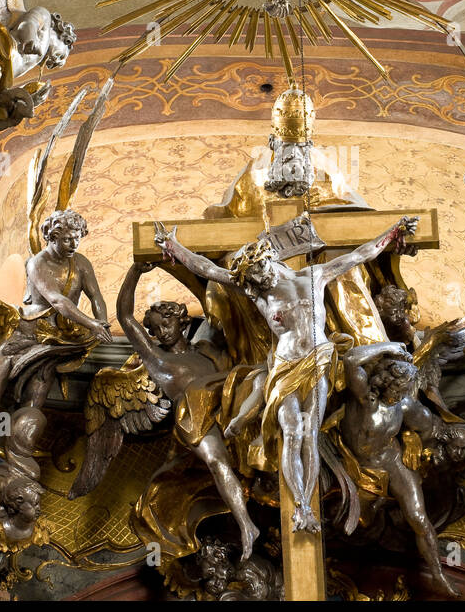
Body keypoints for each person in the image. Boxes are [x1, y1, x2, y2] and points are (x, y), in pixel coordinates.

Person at [154, 215, 418, 533]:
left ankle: (308, 500)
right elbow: (208, 269)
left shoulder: (311, 278)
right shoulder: (258, 292)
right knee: (291, 433)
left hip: (317, 361)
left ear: (270, 260)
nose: (259, 282)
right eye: (251, 278)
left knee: (308, 434)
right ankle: (302, 509)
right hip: (283, 366)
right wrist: (174, 246)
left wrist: (393, 234)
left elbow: (358, 255)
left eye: (260, 272)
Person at [116, 261, 260, 560]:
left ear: (182, 322)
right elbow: (125, 317)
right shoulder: (157, 359)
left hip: (227, 408)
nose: (161, 332)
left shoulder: (206, 350)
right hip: (194, 417)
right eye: (154, 329)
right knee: (218, 461)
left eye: (165, 324)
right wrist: (134, 272)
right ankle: (246, 525)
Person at [0, 210, 111, 491]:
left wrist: (100, 322)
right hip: (23, 337)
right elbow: (57, 301)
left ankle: (11, 470)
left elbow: (96, 297)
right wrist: (92, 324)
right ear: (53, 236)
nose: (74, 245)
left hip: (52, 345)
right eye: (68, 239)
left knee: (30, 411)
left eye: (77, 239)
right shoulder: (37, 263)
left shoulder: (80, 264)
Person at [338, 342, 458, 596]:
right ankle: (376, 505)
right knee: (362, 521)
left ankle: (437, 574)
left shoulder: (403, 406)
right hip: (351, 462)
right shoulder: (364, 398)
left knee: (417, 516)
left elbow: (430, 427)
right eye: (398, 388)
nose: (401, 394)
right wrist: (389, 347)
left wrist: (419, 447)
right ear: (385, 381)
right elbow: (350, 360)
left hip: (391, 461)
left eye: (404, 390)